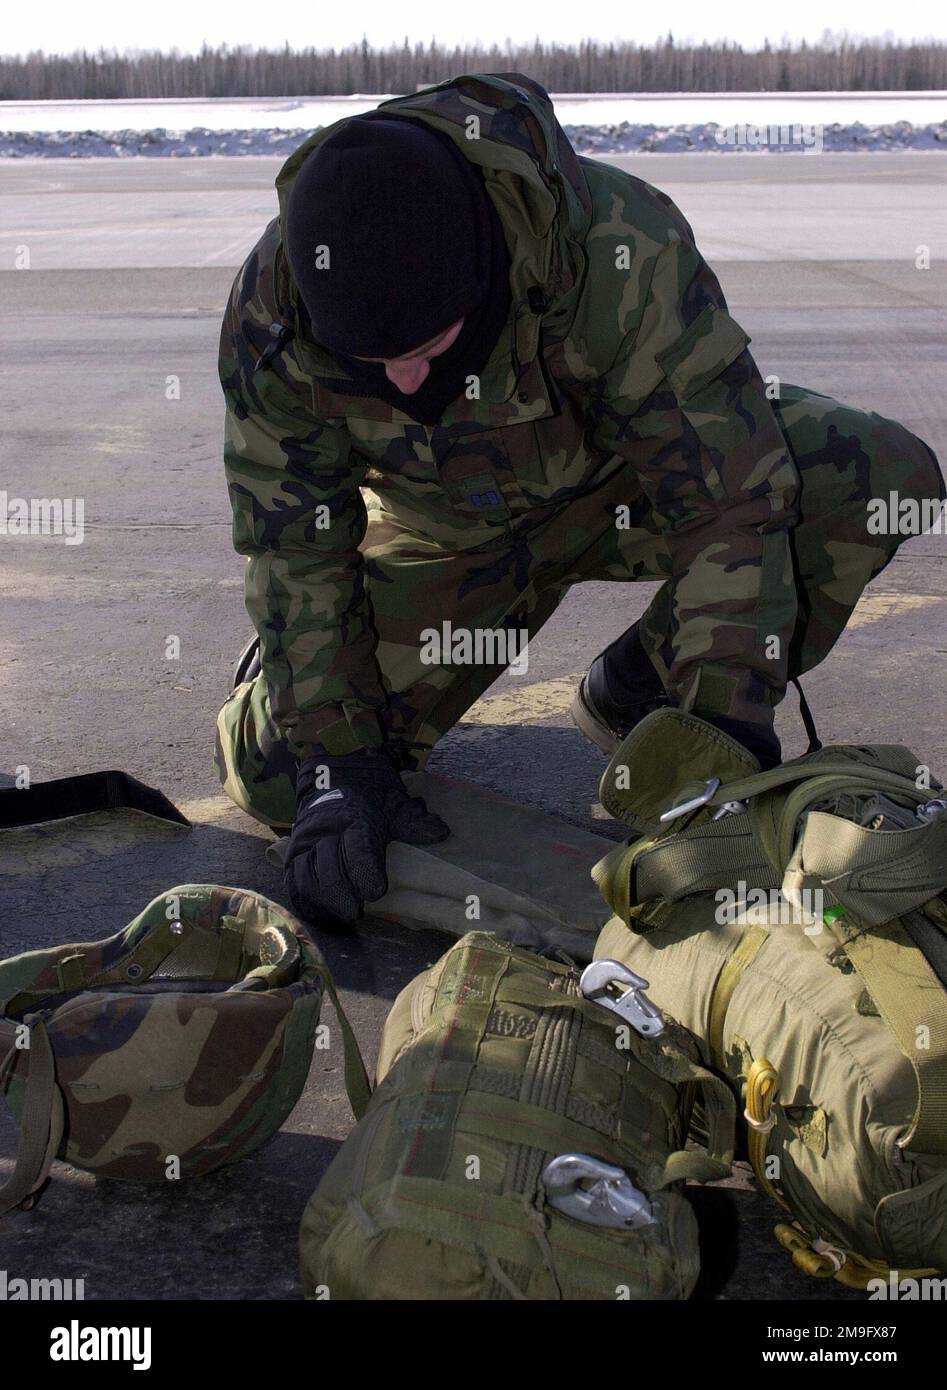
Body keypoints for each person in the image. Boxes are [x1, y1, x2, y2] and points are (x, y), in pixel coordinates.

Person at [215, 72, 943, 926]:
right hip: (442, 536)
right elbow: (298, 546)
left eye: (427, 345)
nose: (405, 379)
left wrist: (724, 724)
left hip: (620, 488)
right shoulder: (275, 316)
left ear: (482, 270)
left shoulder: (616, 247)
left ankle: (640, 690)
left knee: (877, 475)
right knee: (283, 780)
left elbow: (726, 499)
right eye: (372, 362)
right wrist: (337, 761)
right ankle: (281, 684)